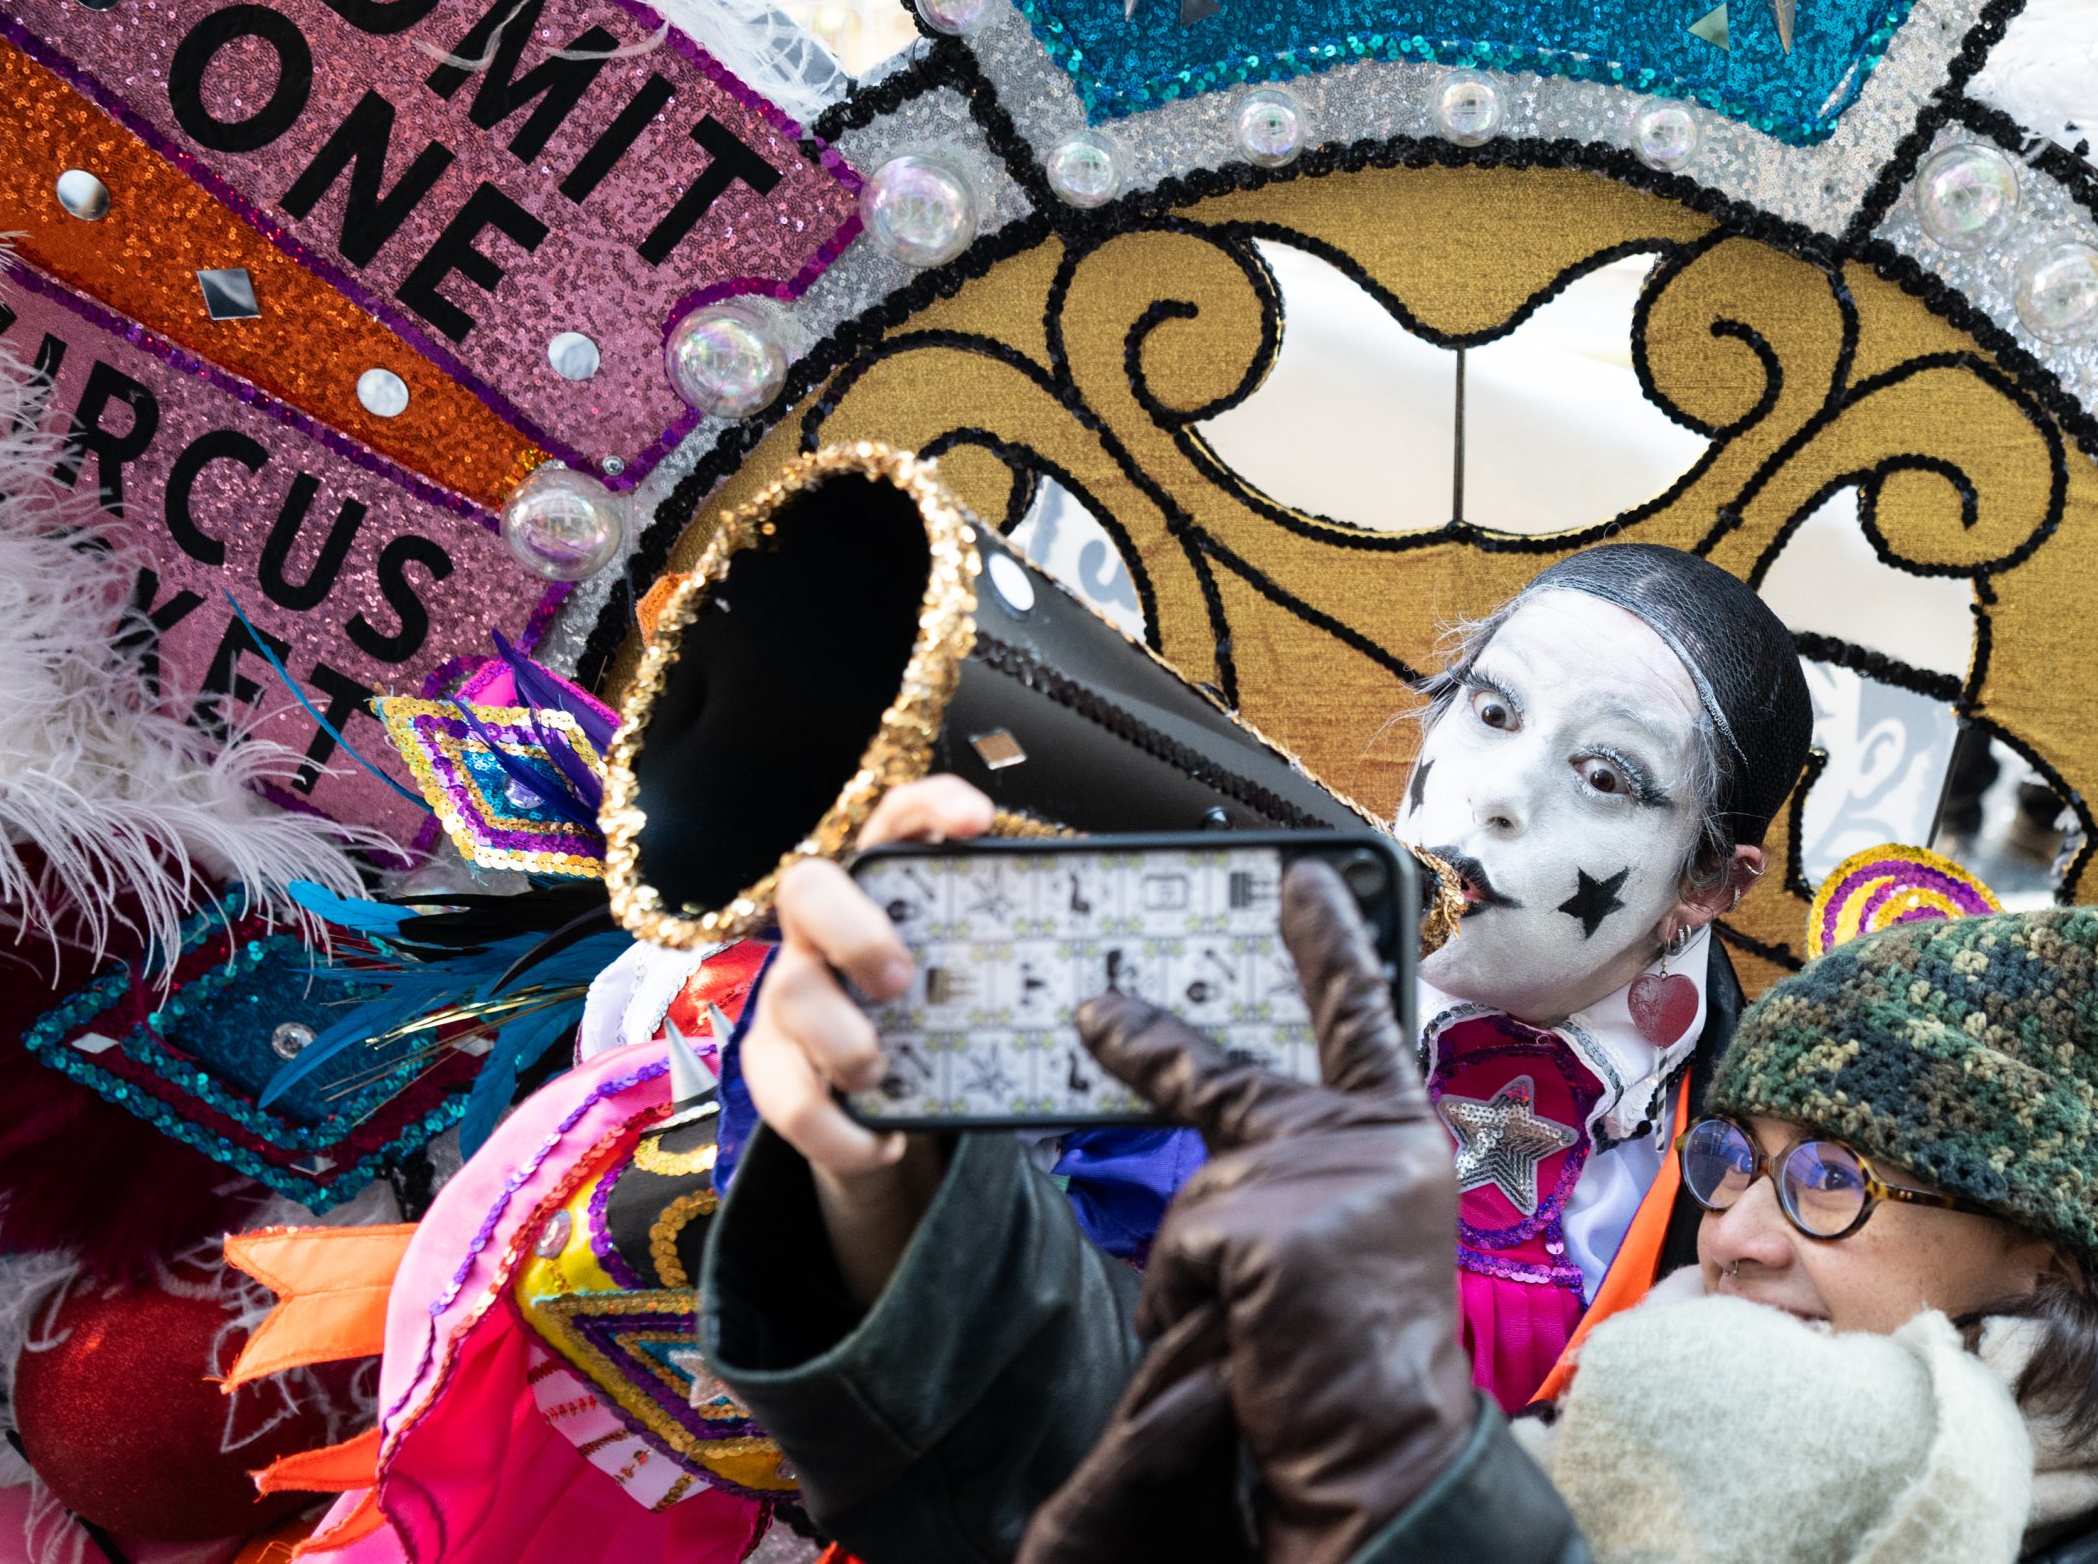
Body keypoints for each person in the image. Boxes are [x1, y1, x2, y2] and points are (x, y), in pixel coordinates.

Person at [698, 542, 1813, 1554]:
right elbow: (997, 1404)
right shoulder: (1177, 941)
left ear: (1710, 884)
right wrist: (884, 1158)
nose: (1501, 796)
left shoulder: (1743, 1194)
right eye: (1490, 712)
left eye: (1605, 776)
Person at [1015, 886, 2098, 1564]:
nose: (1736, 1235)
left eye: (1828, 1176)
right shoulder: (1607, 1429)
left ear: (2053, 1248)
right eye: (1733, 1166)